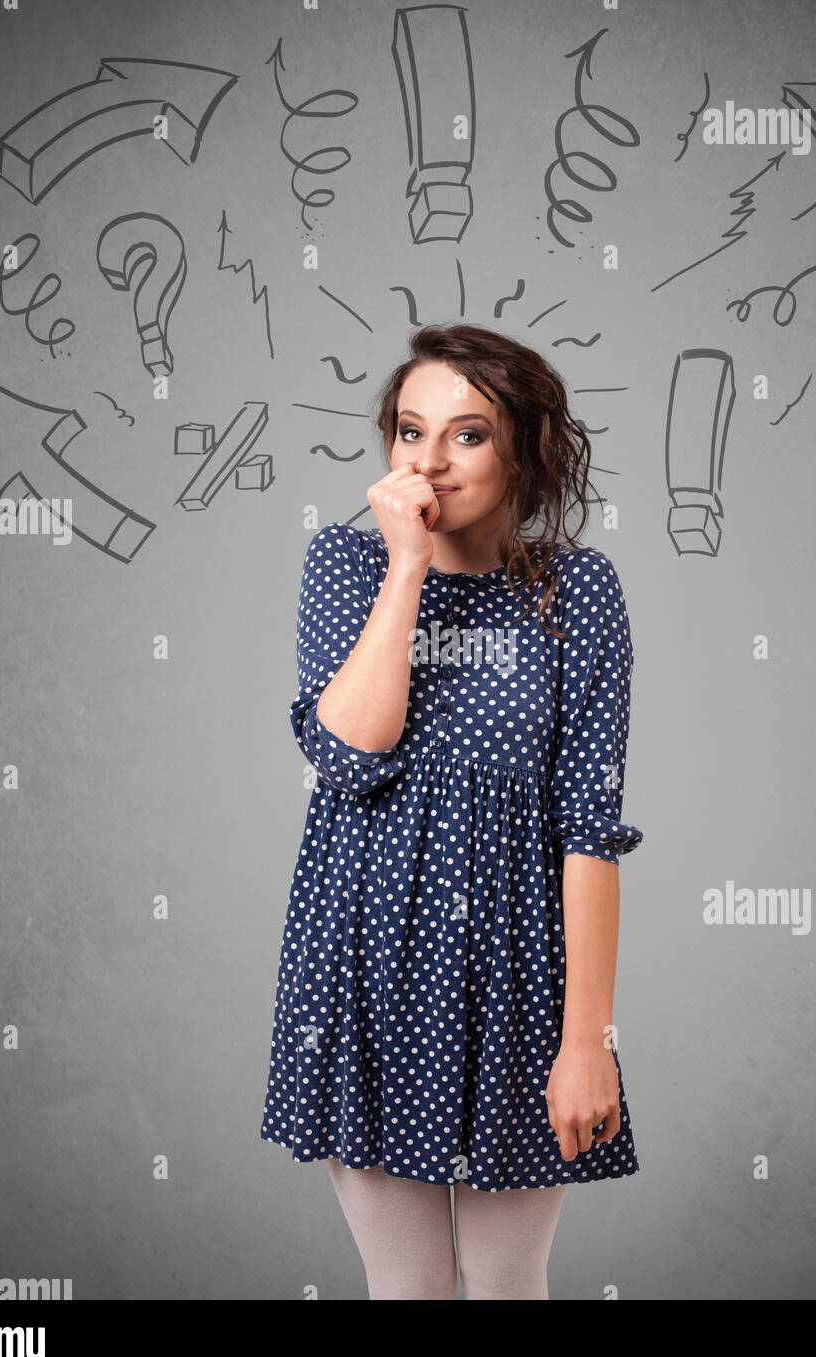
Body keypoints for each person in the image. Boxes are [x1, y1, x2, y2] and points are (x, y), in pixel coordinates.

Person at [259, 322, 644, 1299]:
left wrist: (585, 1040)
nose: (428, 460)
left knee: (510, 1280)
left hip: (524, 979)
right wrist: (405, 567)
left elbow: (589, 828)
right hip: (367, 963)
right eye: (408, 431)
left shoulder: (578, 592)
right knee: (409, 1288)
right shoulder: (345, 566)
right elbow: (347, 754)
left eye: (467, 434)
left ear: (525, 447)